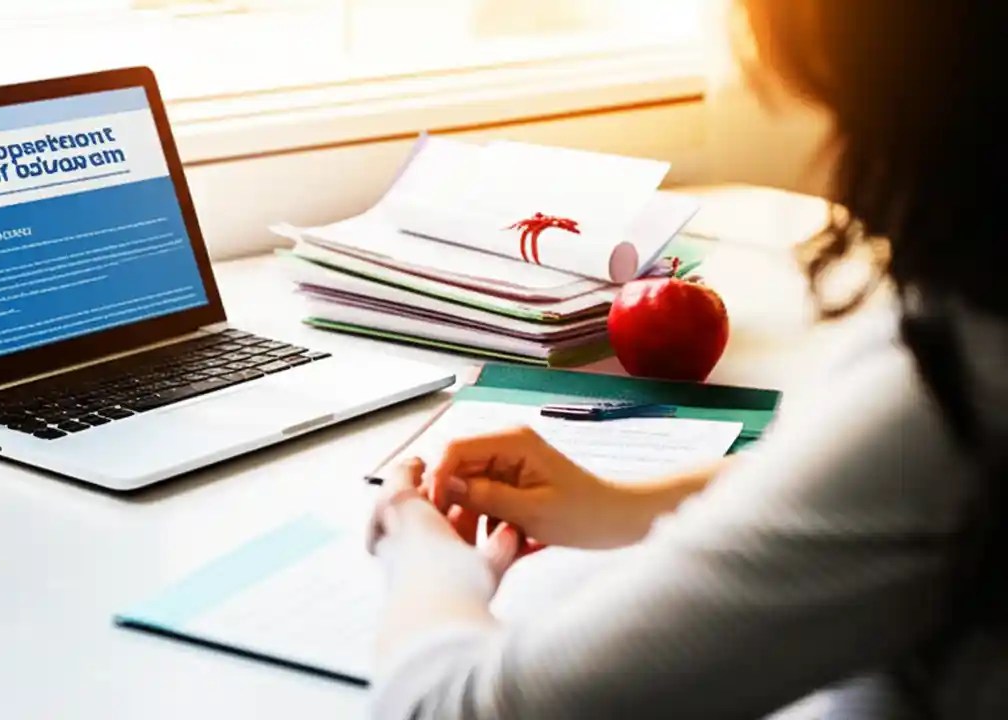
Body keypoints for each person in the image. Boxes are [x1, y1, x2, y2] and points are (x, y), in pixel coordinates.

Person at [366, 1, 1007, 717]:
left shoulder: (951, 396)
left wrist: (421, 560)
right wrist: (625, 505)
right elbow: (870, 483)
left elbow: (449, 708)